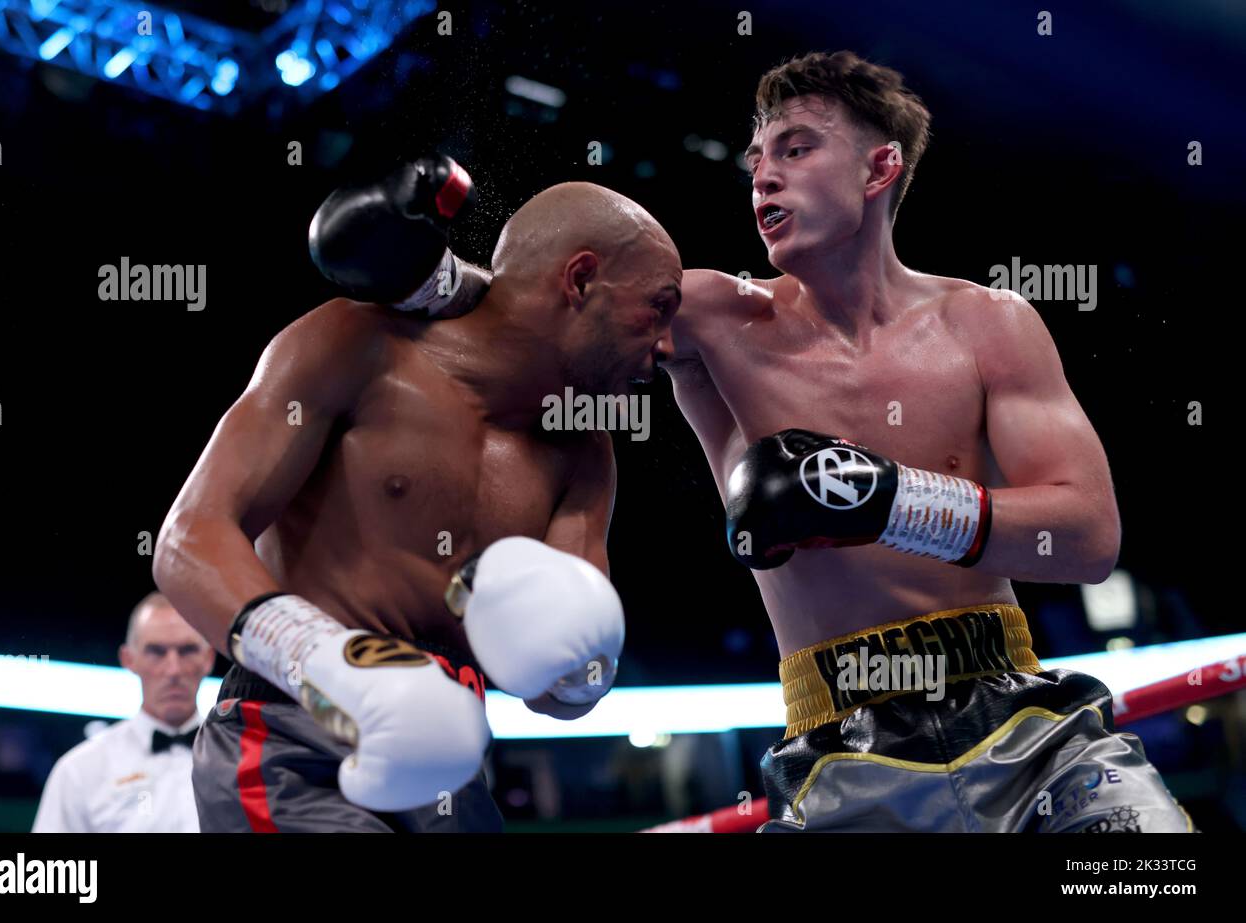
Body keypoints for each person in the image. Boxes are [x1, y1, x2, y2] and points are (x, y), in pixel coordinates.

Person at [666, 50, 1191, 832]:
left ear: (879, 168)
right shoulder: (712, 316)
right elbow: (551, 311)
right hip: (841, 758)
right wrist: (431, 279)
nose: (763, 177)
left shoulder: (990, 322)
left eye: (796, 148)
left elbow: (1087, 537)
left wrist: (889, 500)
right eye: (757, 160)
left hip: (1027, 731)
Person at [153, 157, 680, 831]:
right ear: (579, 279)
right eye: (658, 308)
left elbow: (563, 687)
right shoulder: (356, 343)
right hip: (293, 732)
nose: (666, 344)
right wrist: (333, 664)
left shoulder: (585, 451)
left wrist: (585, 674)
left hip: (449, 767)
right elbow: (188, 539)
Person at [32, 592, 214, 832]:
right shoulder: (80, 770)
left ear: (208, 658)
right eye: (156, 651)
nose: (173, 670)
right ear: (129, 659)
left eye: (187, 650)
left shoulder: (240, 757)